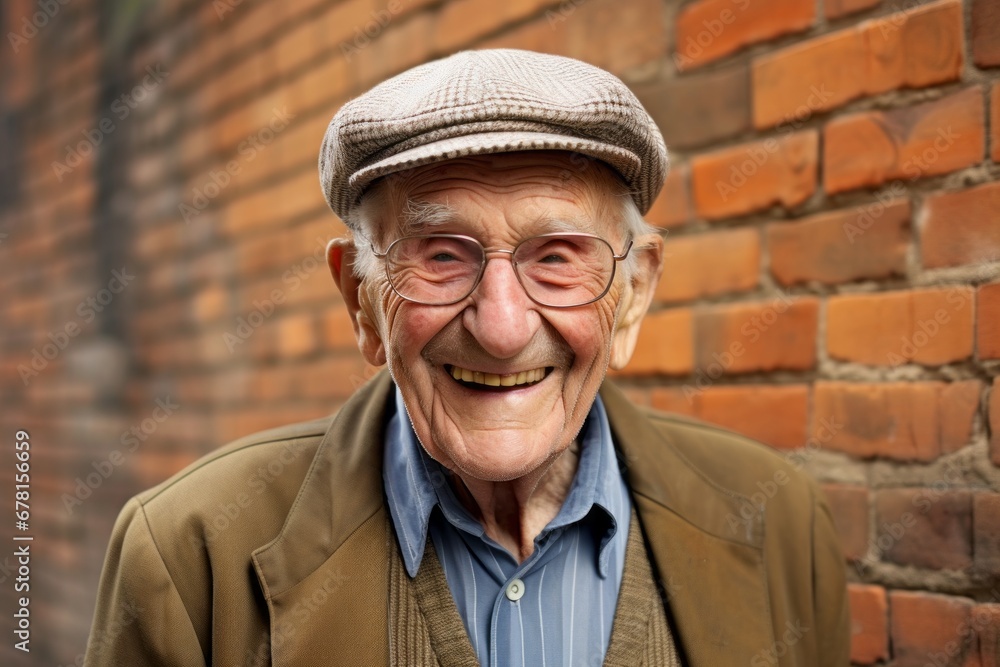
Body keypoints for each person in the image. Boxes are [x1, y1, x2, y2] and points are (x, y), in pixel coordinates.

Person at [85, 49, 850, 666]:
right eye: (442, 255)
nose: (503, 326)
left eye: (557, 256)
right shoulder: (188, 559)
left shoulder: (779, 520)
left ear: (634, 295)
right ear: (362, 299)